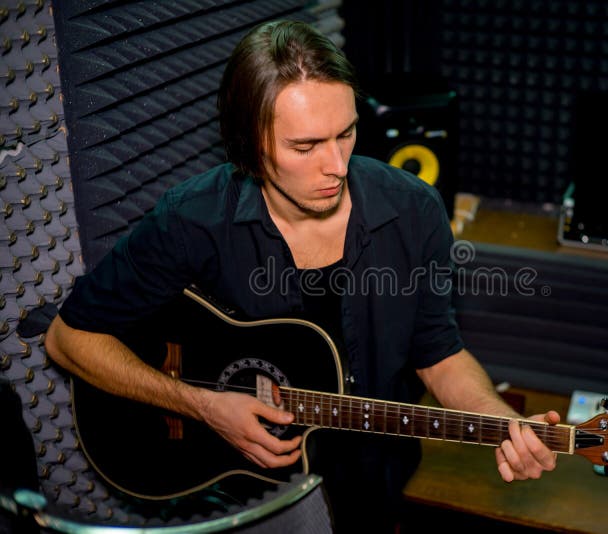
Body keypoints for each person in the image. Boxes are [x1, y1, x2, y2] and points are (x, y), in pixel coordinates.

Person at [44, 19, 560, 533]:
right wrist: (202, 405)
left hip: (375, 473)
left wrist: (499, 422)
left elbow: (437, 350)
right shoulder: (194, 220)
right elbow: (69, 339)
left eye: (347, 133)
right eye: (306, 147)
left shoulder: (413, 209)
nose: (336, 164)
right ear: (249, 143)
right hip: (242, 487)